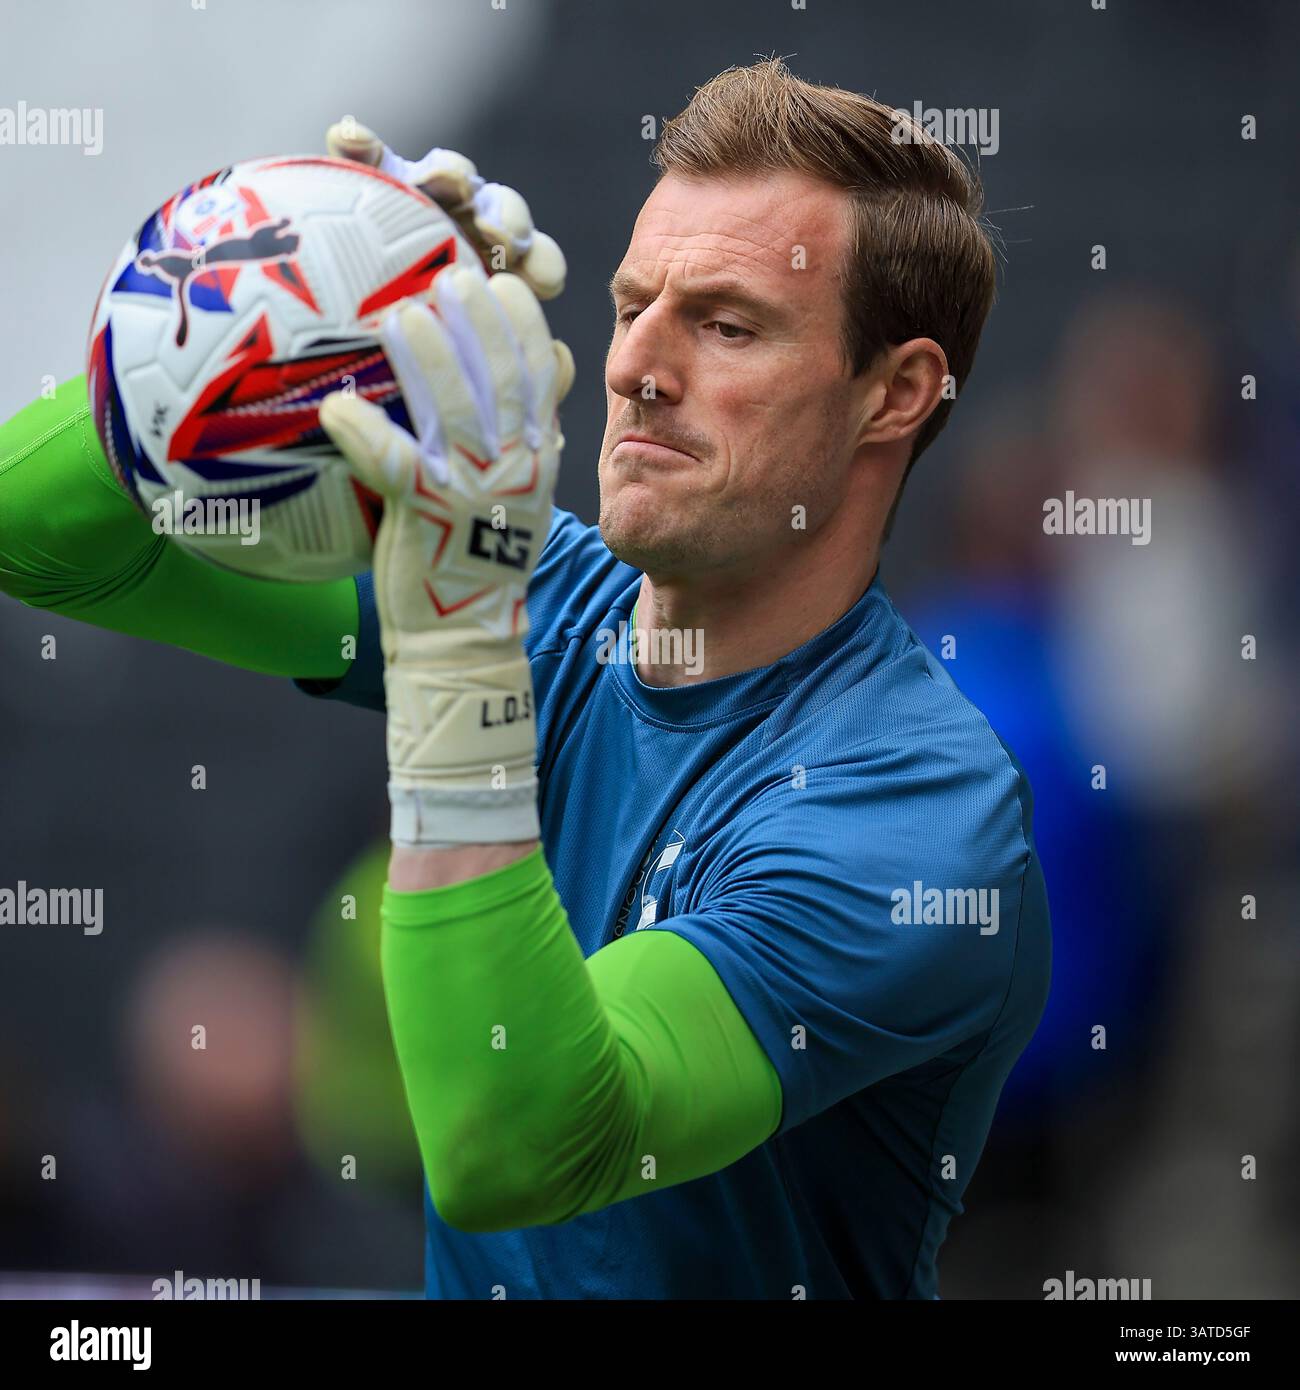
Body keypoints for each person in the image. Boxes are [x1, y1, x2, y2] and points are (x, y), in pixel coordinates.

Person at [0, 59, 1050, 1299]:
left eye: (723, 324)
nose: (634, 367)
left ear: (898, 391)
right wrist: (257, 295)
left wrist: (455, 652)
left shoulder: (921, 817)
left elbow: (524, 1143)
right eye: (631, 303)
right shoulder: (542, 591)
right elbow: (36, 534)